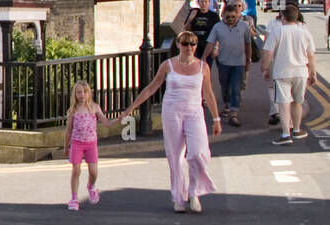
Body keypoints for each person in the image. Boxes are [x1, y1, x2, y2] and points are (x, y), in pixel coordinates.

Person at [124, 31, 222, 213]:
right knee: (175, 157)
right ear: (178, 45)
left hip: (194, 112)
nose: (189, 47)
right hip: (172, 112)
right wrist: (131, 108)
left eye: (192, 44)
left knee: (198, 153)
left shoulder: (203, 67)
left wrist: (216, 119)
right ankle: (179, 197)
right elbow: (152, 87)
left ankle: (194, 192)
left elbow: (208, 93)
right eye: (185, 43)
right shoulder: (167, 65)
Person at [262, 3, 317, 144]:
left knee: (283, 104)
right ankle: (297, 130)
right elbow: (311, 55)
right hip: (301, 73)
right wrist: (313, 73)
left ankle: (286, 134)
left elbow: (268, 52)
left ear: (283, 17)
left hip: (282, 73)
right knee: (298, 102)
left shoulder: (277, 32)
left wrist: (265, 68)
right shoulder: (305, 33)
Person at [62, 81, 117, 211]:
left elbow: (106, 122)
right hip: (77, 143)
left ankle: (91, 186)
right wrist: (66, 146)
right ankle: (74, 198)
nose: (82, 95)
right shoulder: (73, 111)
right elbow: (68, 130)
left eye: (85, 91)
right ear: (75, 94)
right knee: (76, 170)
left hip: (91, 144)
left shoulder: (94, 108)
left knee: (93, 172)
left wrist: (119, 119)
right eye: (79, 92)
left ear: (89, 93)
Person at [204, 2, 252, 126]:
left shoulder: (244, 27)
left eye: (233, 17)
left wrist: (248, 60)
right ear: (223, 16)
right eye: (228, 17)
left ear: (238, 16)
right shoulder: (217, 27)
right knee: (225, 87)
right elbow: (210, 43)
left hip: (239, 63)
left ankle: (234, 114)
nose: (230, 19)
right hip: (223, 62)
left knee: (236, 88)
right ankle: (227, 104)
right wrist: (203, 58)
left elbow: (248, 44)